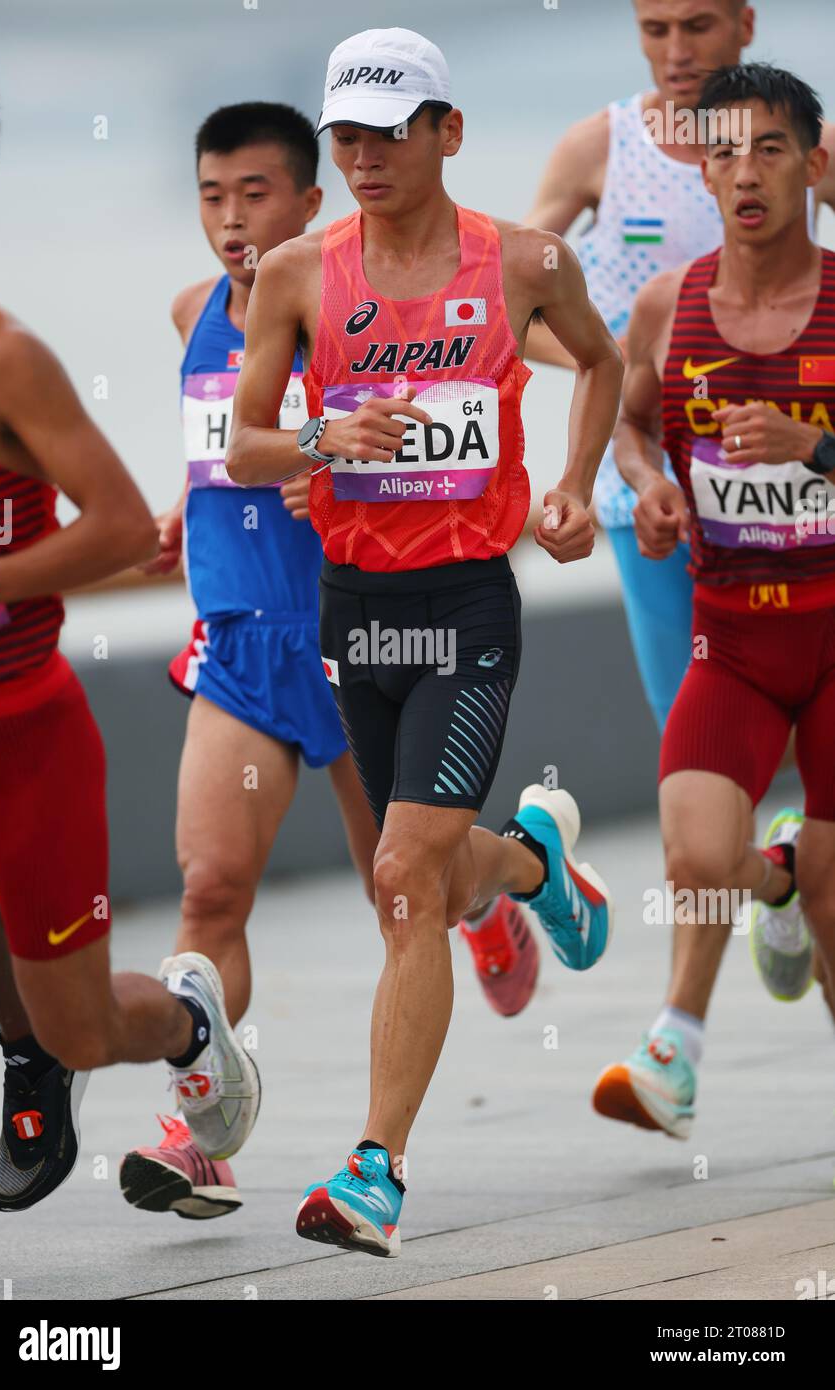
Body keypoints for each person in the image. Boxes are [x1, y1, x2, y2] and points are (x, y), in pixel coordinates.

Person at [226, 27, 623, 1256]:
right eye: (344, 133)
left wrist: (571, 489)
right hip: (354, 607)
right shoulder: (295, 272)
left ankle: (373, 1172)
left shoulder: (526, 260)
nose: (361, 155)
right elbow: (245, 445)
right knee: (429, 875)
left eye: (389, 131)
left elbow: (601, 363)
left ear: (447, 131)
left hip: (466, 607)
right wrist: (318, 445)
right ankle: (530, 869)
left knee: (399, 880)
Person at [0, 64, 259, 1209]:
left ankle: (186, 1026)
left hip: (22, 729)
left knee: (84, 1023)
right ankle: (23, 1046)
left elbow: (124, 528)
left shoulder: (0, 359)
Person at [525, 0, 835, 999]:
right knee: (693, 769)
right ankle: (692, 1012)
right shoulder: (598, 145)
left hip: (808, 512)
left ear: (744, 25)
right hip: (651, 496)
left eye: (696, 26)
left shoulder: (794, 137)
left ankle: (777, 897)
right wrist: (604, 371)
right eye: (653, 29)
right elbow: (506, 292)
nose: (674, 52)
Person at [118, 102, 383, 1221]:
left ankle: (522, 874)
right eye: (211, 196)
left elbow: (427, 464)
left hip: (360, 629)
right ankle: (200, 1132)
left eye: (256, 194)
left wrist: (336, 475)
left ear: (311, 202)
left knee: (404, 892)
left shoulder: (354, 320)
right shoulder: (191, 314)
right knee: (212, 888)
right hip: (239, 644)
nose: (231, 220)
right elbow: (213, 438)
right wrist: (190, 499)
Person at [594, 63, 835, 1140]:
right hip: (729, 640)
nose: (744, 174)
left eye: (769, 150)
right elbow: (631, 422)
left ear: (812, 165)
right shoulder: (667, 302)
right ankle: (766, 881)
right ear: (699, 163)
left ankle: (797, 888)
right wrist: (646, 486)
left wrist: (815, 449)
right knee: (694, 858)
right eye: (724, 151)